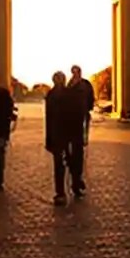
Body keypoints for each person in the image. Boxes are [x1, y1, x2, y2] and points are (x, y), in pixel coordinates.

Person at [46, 71, 87, 205]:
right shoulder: (69, 94)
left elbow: (49, 119)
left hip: (61, 135)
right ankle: (72, 186)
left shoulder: (52, 95)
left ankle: (62, 192)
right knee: (70, 162)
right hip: (67, 134)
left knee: (62, 164)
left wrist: (48, 139)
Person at [67, 65, 95, 193]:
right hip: (75, 123)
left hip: (79, 122)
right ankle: (77, 180)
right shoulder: (81, 85)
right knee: (75, 154)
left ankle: (77, 180)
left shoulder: (71, 85)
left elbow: (90, 101)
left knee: (78, 153)